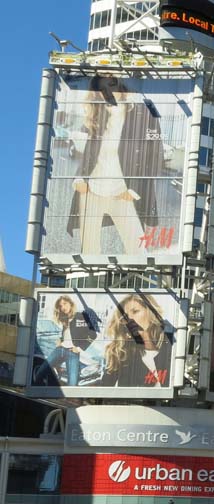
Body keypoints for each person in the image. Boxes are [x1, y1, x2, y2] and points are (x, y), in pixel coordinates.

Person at [68, 75, 164, 256]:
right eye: (103, 90)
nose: (109, 92)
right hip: (91, 193)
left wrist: (134, 188)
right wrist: (80, 178)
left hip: (123, 193)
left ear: (121, 84)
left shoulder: (145, 112)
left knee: (138, 252)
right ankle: (91, 284)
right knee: (89, 253)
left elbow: (155, 155)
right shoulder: (97, 116)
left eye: (112, 85)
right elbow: (90, 154)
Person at [100, 294, 172, 387]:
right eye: (125, 316)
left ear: (151, 312)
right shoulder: (122, 352)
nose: (130, 318)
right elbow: (104, 387)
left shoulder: (171, 345)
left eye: (135, 311)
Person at [34, 295, 99, 386]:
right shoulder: (65, 319)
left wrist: (79, 348)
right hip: (60, 349)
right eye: (60, 306)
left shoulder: (81, 316)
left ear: (70, 304)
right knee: (40, 372)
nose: (63, 307)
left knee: (72, 383)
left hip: (72, 352)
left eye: (65, 304)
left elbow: (93, 334)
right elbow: (68, 335)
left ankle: (69, 399)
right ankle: (40, 390)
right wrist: (61, 340)